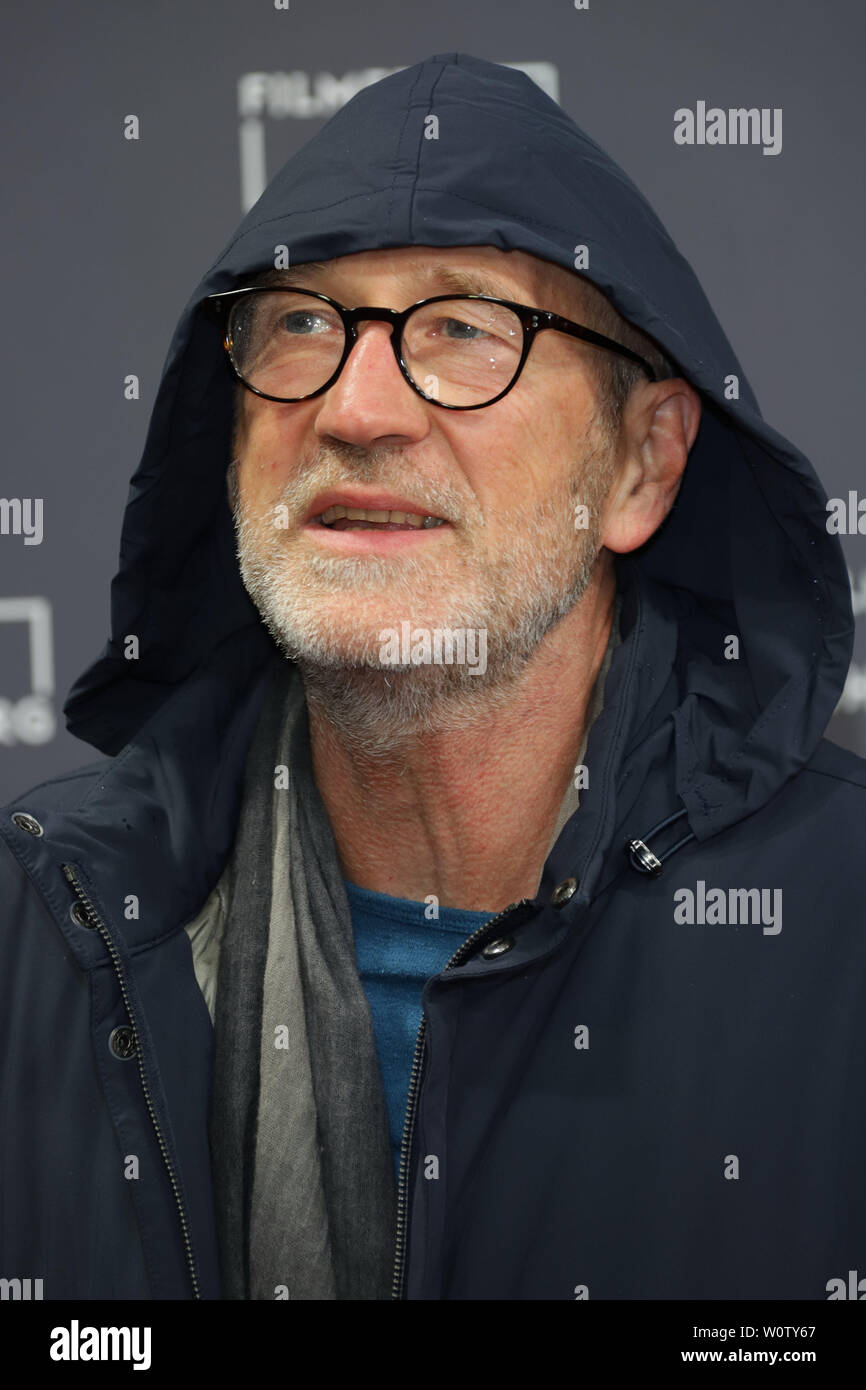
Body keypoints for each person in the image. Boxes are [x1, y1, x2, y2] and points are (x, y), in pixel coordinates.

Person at [1, 51, 863, 1303]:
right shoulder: (49, 923)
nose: (356, 406)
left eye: (462, 329)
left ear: (642, 467)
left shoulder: (838, 938)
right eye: (301, 322)